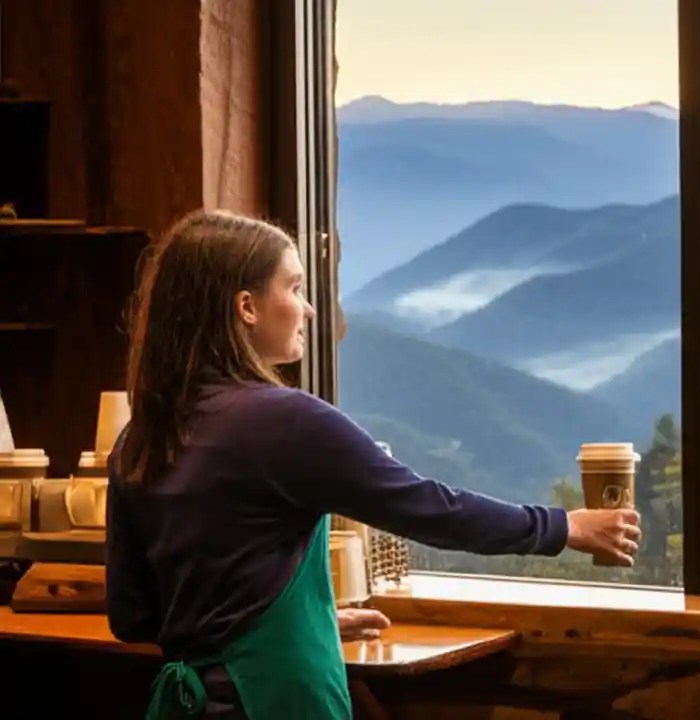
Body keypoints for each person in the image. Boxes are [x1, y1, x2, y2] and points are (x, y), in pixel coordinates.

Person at [105, 209, 641, 719]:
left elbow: (135, 618)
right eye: (293, 288)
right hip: (276, 701)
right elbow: (429, 508)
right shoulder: (287, 423)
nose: (309, 308)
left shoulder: (139, 439)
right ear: (246, 307)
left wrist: (301, 624)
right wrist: (563, 527)